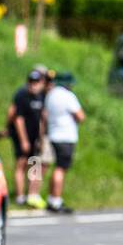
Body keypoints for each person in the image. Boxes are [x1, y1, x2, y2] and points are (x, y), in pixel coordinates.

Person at [42, 72, 85, 214]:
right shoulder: (68, 96)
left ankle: (50, 198)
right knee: (61, 169)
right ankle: (56, 200)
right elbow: (80, 116)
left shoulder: (50, 95)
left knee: (55, 168)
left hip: (53, 134)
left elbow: (45, 115)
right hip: (66, 136)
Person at [7, 69, 47, 207]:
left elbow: (42, 119)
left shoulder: (41, 96)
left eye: (36, 82)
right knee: (21, 164)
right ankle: (19, 196)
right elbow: (18, 119)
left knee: (34, 165)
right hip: (22, 137)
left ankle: (32, 195)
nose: (34, 85)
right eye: (31, 82)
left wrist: (41, 139)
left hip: (35, 138)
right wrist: (24, 140)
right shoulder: (22, 95)